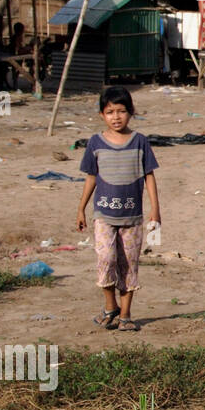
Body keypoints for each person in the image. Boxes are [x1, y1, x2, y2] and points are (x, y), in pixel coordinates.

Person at [77, 86, 161, 332]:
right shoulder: (95, 143)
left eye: (121, 111)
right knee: (106, 259)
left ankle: (125, 314)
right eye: (110, 111)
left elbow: (149, 176)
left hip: (133, 217)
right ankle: (110, 304)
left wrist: (155, 210)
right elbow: (91, 178)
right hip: (103, 215)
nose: (116, 117)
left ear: (130, 112)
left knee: (129, 264)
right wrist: (81, 208)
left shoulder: (140, 142)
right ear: (102, 114)